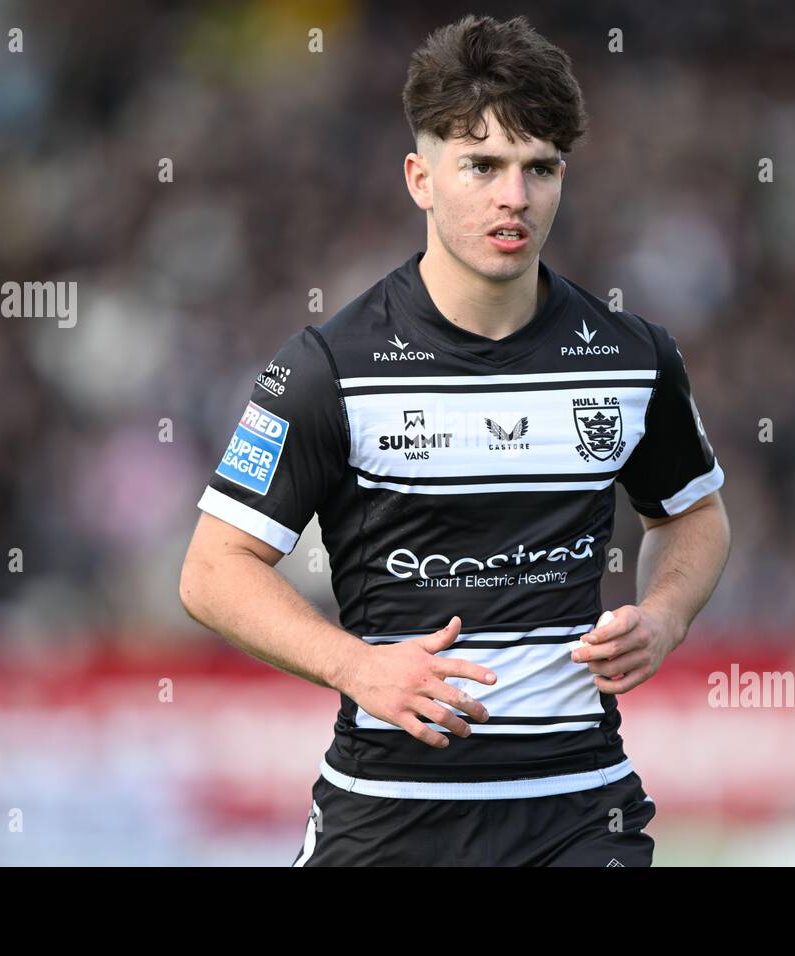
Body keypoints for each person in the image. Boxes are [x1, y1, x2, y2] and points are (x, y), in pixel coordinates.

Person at [179, 13, 731, 866]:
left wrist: (663, 619)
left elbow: (694, 517)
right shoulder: (329, 367)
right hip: (388, 812)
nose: (514, 196)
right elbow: (213, 570)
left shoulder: (632, 357)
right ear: (420, 178)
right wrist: (358, 668)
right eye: (482, 165)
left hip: (577, 810)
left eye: (539, 168)